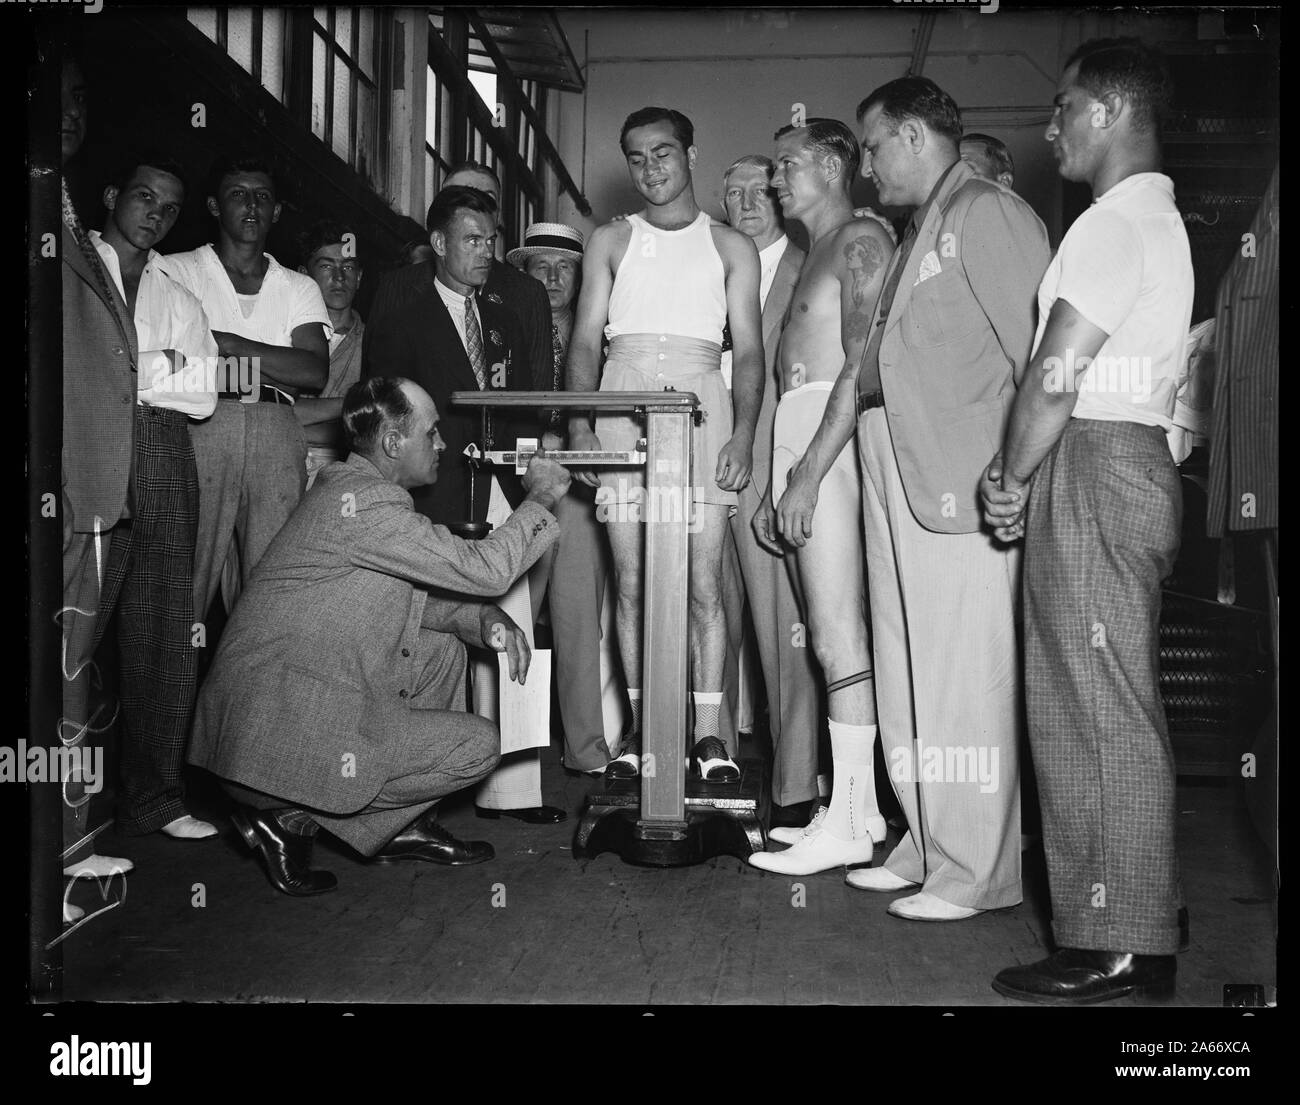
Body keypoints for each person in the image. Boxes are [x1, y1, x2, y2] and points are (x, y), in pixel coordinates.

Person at [780, 77, 1049, 921]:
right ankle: (928, 842)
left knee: (963, 685)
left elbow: (1038, 362)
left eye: (870, 145)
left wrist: (1018, 477)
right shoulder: (915, 229)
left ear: (912, 137)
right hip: (902, 478)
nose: (863, 165)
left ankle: (978, 869)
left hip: (962, 485)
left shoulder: (987, 212)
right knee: (904, 677)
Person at [983, 38, 1193, 1003]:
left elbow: (1057, 372)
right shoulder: (1153, 218)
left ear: (1109, 111)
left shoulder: (1113, 223)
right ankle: (1135, 920)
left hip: (1096, 461)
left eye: (1065, 106)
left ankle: (1118, 938)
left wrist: (1009, 473)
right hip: (1122, 461)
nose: (1050, 123)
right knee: (1103, 703)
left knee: (1092, 710)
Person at [188, 377, 570, 895]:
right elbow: (488, 570)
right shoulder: (366, 506)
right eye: (432, 433)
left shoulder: (351, 491)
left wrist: (481, 620)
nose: (442, 445)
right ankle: (287, 815)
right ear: (393, 444)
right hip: (270, 737)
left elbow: (405, 599)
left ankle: (396, 826)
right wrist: (543, 494)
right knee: (478, 747)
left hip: (274, 711)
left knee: (439, 650)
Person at [567, 106, 764, 783]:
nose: (650, 168)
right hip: (622, 398)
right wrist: (580, 425)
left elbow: (755, 354)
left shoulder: (730, 246)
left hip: (702, 403)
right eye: (637, 157)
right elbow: (586, 341)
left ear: (691, 153)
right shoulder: (609, 241)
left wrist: (742, 431)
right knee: (629, 581)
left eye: (663, 153)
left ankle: (708, 737)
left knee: (704, 583)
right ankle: (644, 732)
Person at [364, 187, 563, 824]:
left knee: (514, 622)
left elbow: (535, 392)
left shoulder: (510, 304)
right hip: (435, 487)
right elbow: (382, 406)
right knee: (441, 624)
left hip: (504, 484)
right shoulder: (402, 306)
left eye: (492, 240)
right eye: (473, 240)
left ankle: (516, 787)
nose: (487, 252)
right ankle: (435, 787)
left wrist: (537, 455)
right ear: (441, 244)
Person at [749, 120, 895, 875]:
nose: (777, 177)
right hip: (802, 432)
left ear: (836, 164)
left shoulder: (860, 237)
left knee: (838, 633)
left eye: (788, 163)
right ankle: (861, 808)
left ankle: (841, 824)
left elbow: (862, 362)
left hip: (828, 438)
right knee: (825, 627)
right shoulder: (811, 256)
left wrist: (807, 471)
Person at [88, 155, 220, 841]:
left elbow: (201, 390)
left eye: (169, 207)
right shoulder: (75, 267)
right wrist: (154, 367)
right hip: (91, 444)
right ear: (112, 196)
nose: (155, 213)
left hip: (165, 449)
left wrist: (127, 369)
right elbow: (79, 368)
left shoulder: (177, 291)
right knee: (76, 625)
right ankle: (68, 811)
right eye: (143, 197)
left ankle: (157, 798)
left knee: (164, 624)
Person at [165, 155, 330, 622]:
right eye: (238, 194)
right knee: (185, 578)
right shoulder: (177, 270)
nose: (252, 205)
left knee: (271, 584)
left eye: (262, 196)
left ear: (276, 210)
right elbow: (175, 368)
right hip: (203, 423)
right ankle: (175, 694)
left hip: (277, 430)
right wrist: (270, 368)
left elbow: (313, 372)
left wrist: (228, 342)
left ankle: (252, 693)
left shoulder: (298, 286)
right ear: (216, 206)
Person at [717, 153, 821, 819]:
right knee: (706, 624)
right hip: (701, 463)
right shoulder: (710, 266)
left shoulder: (810, 266)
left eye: (759, 188)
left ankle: (793, 786)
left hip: (770, 466)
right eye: (733, 191)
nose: (747, 200)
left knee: (784, 631)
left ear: (780, 197)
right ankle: (712, 762)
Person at [507, 223, 628, 775]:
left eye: (565, 267)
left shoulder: (606, 336)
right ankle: (514, 763)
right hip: (519, 483)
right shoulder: (503, 328)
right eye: (541, 267)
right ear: (523, 273)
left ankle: (587, 752)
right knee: (515, 618)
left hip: (581, 484)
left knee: (579, 618)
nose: (553, 278)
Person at [58, 52, 136, 895]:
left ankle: (69, 853)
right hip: (60, 482)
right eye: (54, 96)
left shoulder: (70, 209)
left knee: (70, 676)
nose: (71, 112)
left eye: (82, 97)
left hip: (88, 488)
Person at [295, 220, 365, 488]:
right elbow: (274, 413)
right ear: (303, 275)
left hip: (343, 478)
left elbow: (366, 432)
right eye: (326, 266)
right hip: (279, 465)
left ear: (359, 277)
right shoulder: (283, 335)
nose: (339, 278)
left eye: (348, 267)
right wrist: (350, 402)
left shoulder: (375, 342)